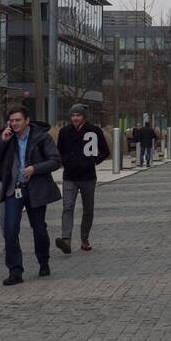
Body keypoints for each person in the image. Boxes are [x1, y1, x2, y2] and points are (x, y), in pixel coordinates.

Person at [0, 106, 61, 286]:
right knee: (10, 230)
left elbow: (55, 161)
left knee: (39, 228)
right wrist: (2, 141)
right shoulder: (5, 137)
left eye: (18, 120)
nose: (14, 123)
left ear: (26, 120)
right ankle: (15, 270)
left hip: (35, 189)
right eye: (12, 120)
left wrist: (34, 168)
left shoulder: (41, 137)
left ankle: (43, 261)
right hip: (13, 189)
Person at [55, 104, 109, 254]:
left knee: (88, 209)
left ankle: (84, 239)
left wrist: (94, 161)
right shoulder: (64, 131)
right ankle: (66, 239)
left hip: (88, 177)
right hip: (70, 176)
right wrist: (66, 161)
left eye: (78, 115)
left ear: (84, 116)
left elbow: (105, 151)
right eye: (72, 115)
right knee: (68, 207)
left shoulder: (94, 131)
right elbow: (59, 152)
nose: (75, 118)